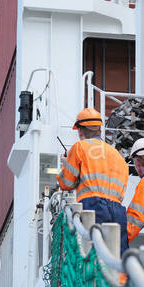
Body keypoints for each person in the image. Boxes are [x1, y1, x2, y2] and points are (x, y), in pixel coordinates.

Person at [58, 108, 129, 253]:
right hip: (118, 210)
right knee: (117, 256)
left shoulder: (80, 147)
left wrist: (65, 164)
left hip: (92, 206)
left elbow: (66, 184)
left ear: (80, 131)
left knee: (92, 254)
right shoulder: (117, 155)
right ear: (100, 131)